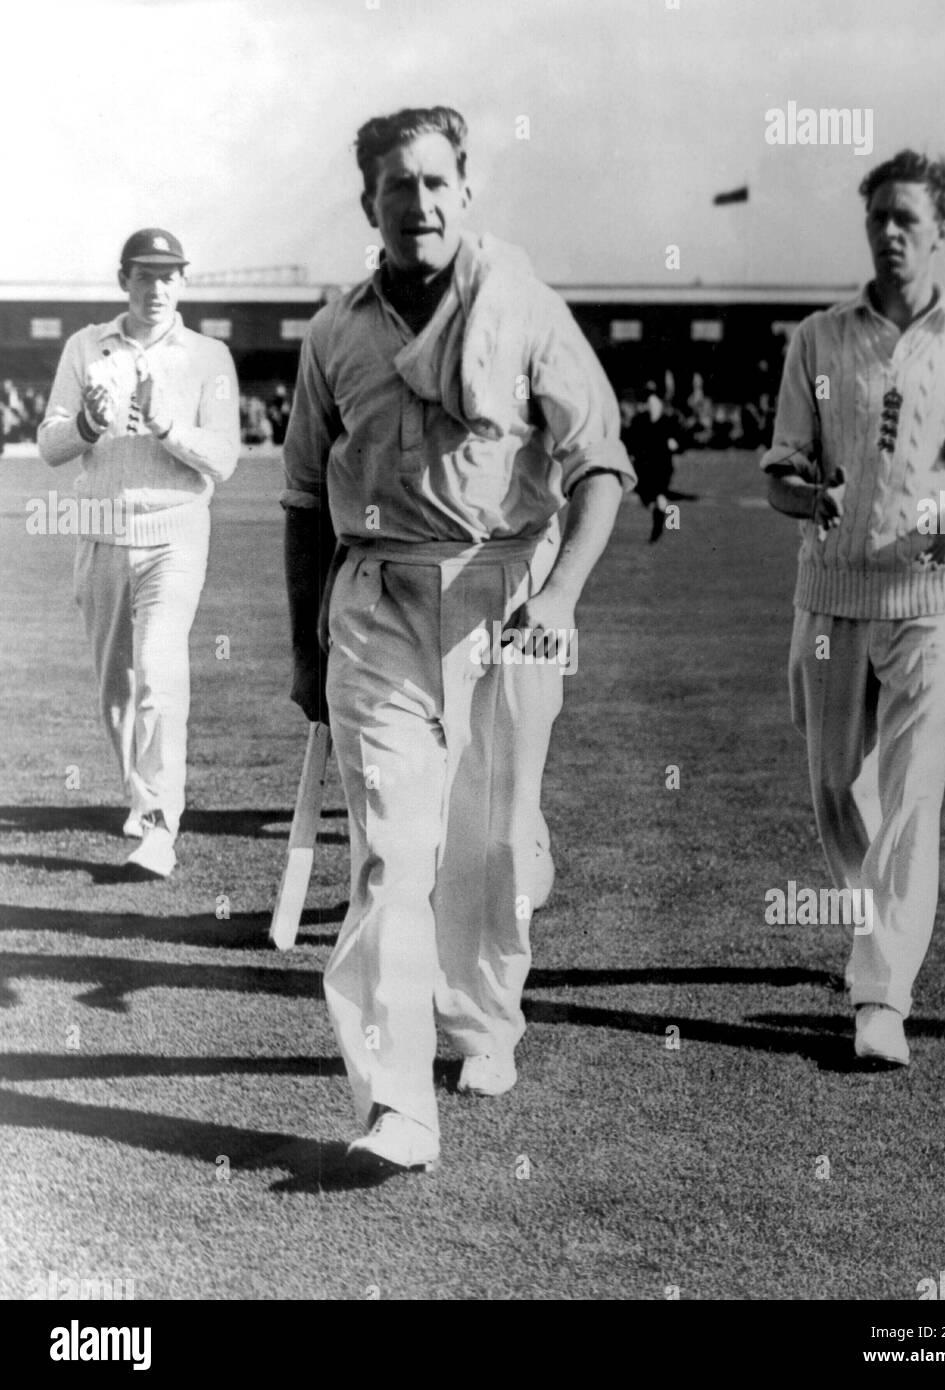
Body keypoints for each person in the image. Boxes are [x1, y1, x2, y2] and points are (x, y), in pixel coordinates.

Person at [282, 105, 634, 1175]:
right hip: (378, 600)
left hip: (511, 597)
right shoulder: (335, 333)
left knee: (489, 844)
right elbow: (302, 496)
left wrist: (562, 596)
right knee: (393, 853)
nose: (421, 204)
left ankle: (484, 1023)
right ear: (369, 204)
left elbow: (601, 467)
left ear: (465, 191)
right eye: (399, 186)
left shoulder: (520, 302)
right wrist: (304, 649)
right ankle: (397, 1105)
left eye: (438, 183)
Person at [761, 151, 945, 1067]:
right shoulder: (817, 339)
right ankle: (874, 928)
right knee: (836, 791)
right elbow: (784, 464)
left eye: (908, 218)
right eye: (878, 219)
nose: (892, 234)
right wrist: (805, 495)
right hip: (832, 595)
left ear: (943, 226)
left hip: (936, 602)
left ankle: (881, 997)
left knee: (912, 796)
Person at [37, 229, 240, 878]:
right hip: (99, 528)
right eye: (145, 276)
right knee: (116, 695)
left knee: (157, 677)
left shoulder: (207, 357)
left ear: (183, 283)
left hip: (174, 533)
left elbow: (225, 459)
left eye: (170, 276)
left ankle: (158, 826)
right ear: (124, 279)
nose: (157, 289)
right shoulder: (86, 346)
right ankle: (140, 795)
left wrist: (165, 423)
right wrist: (89, 426)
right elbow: (50, 442)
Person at [625, 381, 680, 540]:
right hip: (650, 465)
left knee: (658, 495)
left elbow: (677, 439)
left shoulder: (661, 418)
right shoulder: (643, 419)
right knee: (653, 497)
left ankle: (669, 527)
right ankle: (669, 526)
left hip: (656, 464)